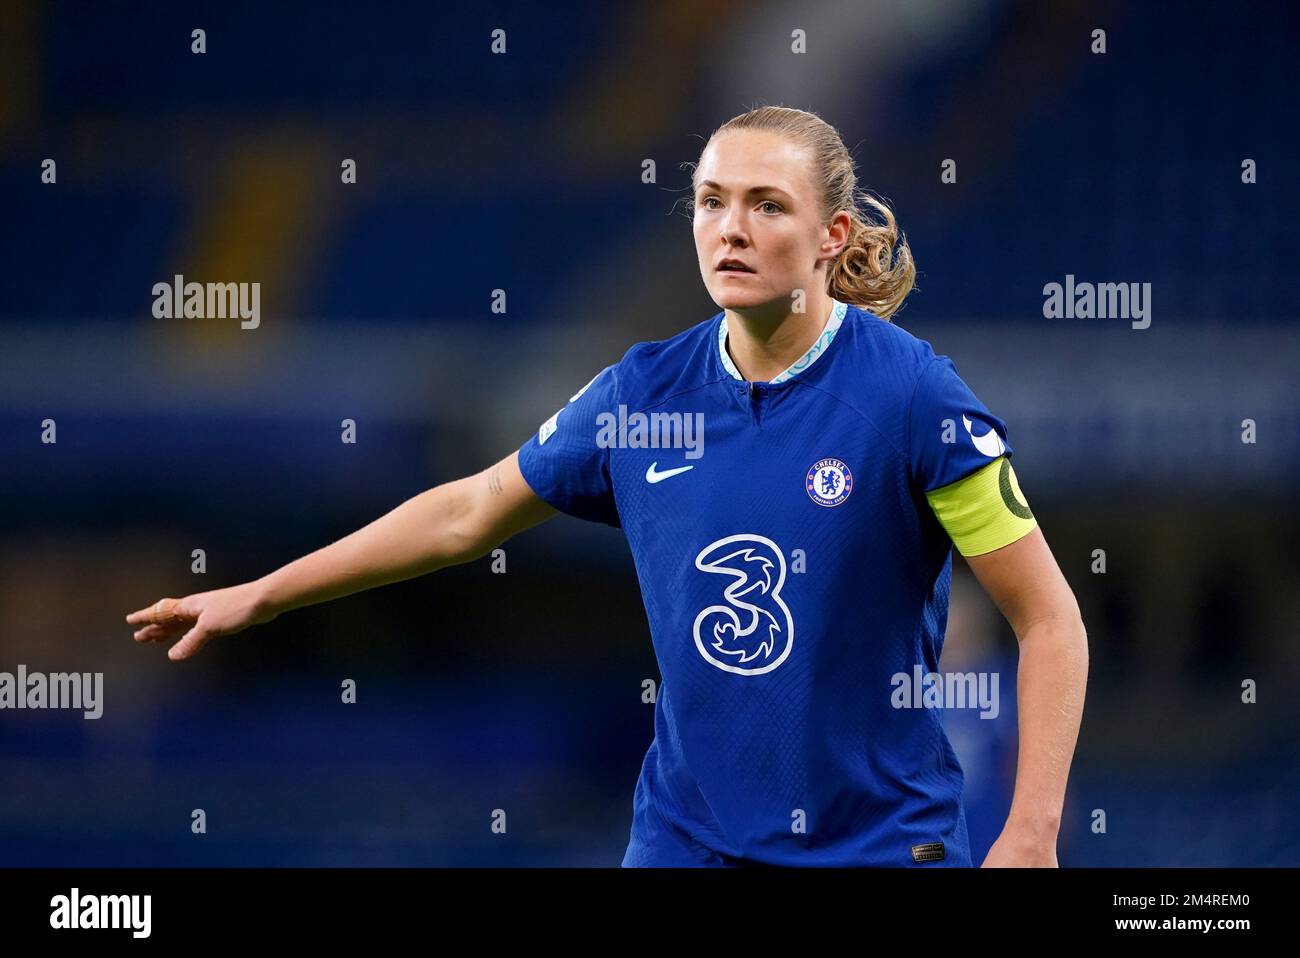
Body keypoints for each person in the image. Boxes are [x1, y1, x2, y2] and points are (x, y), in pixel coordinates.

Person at [128, 105, 1088, 868]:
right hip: (687, 844)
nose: (730, 230)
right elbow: (466, 513)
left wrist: (1032, 833)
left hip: (875, 848)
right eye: (712, 202)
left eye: (766, 205)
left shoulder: (912, 394)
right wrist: (261, 592)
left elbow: (1049, 620)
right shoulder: (642, 392)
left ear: (833, 233)